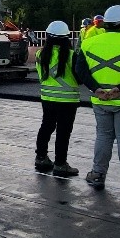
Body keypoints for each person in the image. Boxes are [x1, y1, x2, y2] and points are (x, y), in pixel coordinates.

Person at [73, 5, 120, 196]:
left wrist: (95, 88)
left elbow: (80, 70)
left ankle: (97, 175)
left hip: (101, 101)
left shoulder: (88, 44)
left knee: (103, 136)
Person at [34, 21, 80, 177]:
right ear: (67, 38)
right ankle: (60, 164)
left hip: (47, 98)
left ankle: (41, 158)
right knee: (63, 132)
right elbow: (79, 78)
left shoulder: (40, 54)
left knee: (46, 127)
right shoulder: (72, 56)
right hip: (68, 101)